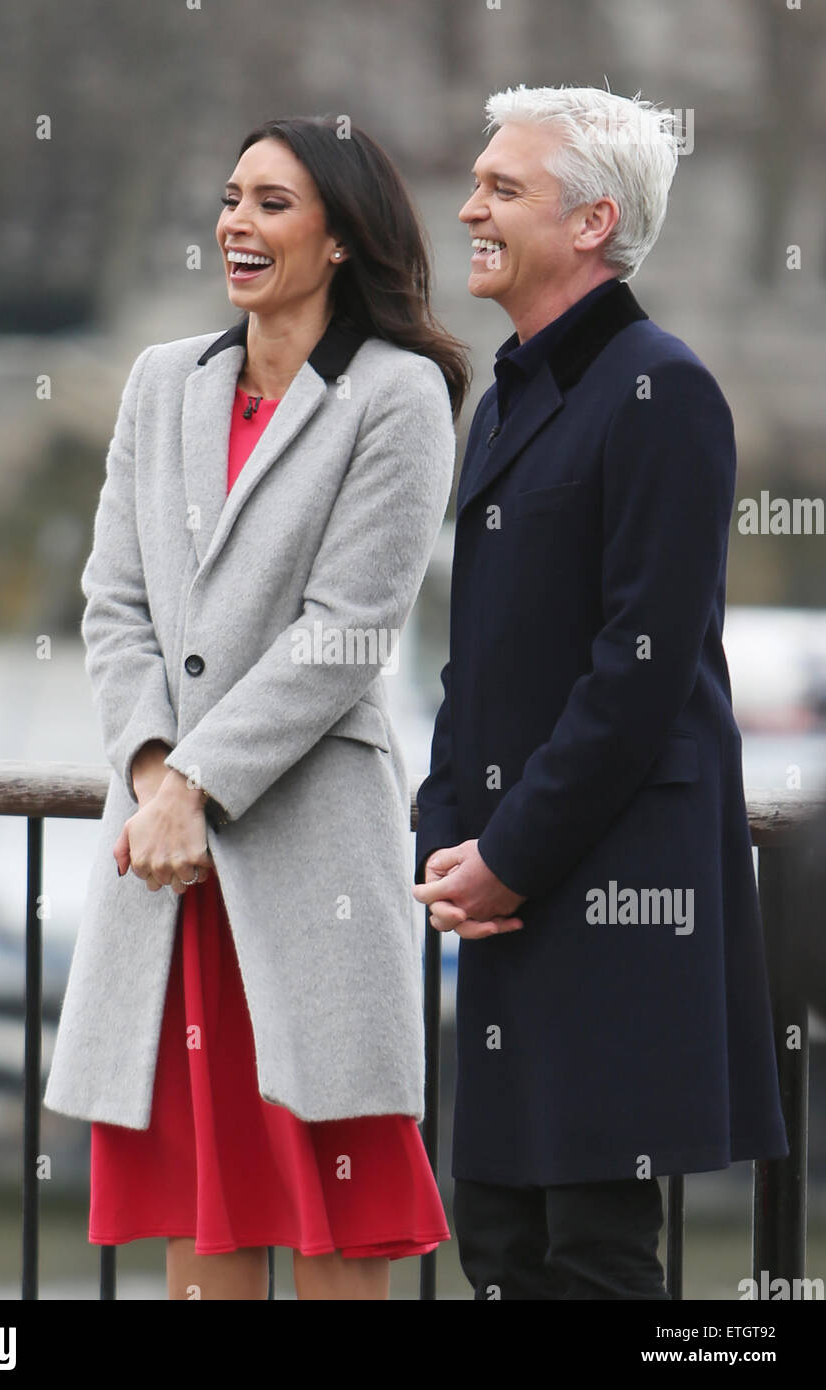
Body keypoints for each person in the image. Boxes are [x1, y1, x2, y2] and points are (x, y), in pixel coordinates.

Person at [43, 114, 471, 1301]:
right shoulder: (160, 381)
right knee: (202, 1214)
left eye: (272, 203)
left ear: (340, 237)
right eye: (232, 197)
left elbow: (346, 632)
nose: (236, 222)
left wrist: (193, 784)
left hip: (307, 859)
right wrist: (150, 780)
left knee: (335, 1223)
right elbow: (112, 602)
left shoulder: (397, 395)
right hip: (168, 872)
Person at [413, 85, 788, 1300]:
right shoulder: (506, 397)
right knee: (500, 1249)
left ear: (592, 221)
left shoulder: (662, 387)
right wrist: (444, 839)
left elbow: (640, 670)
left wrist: (505, 856)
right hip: (509, 893)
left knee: (596, 1259)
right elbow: (474, 659)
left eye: (502, 188)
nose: (469, 209)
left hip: (618, 892)